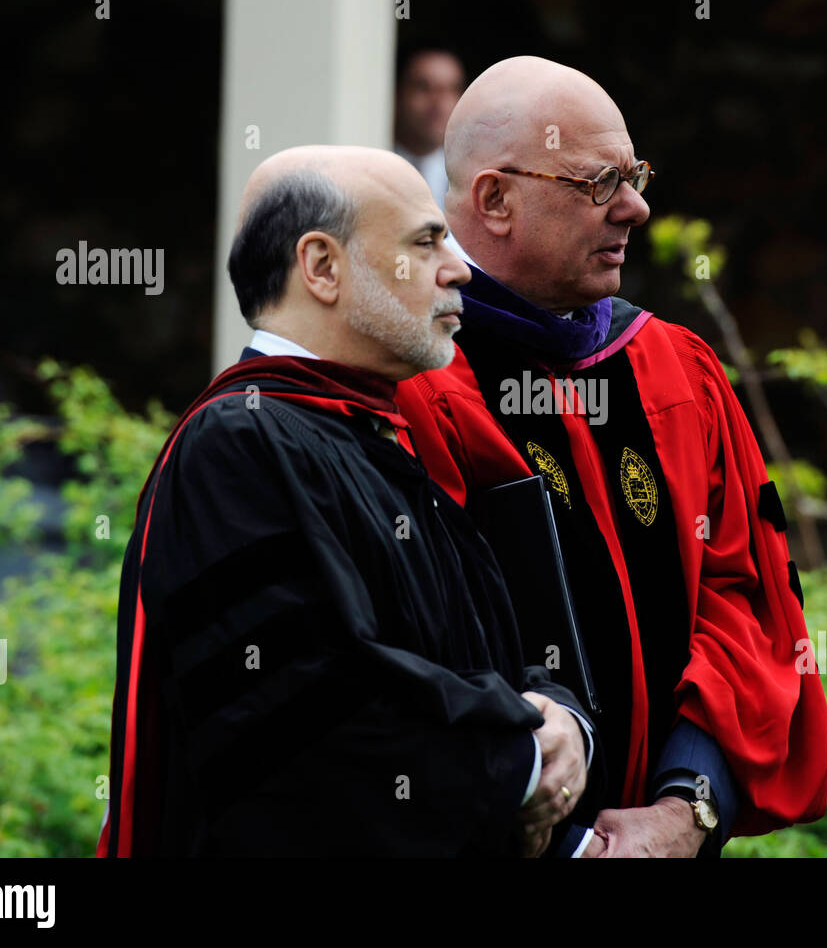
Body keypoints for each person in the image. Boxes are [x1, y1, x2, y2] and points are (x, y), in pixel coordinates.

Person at [96, 145, 594, 857]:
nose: (459, 270)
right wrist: (519, 763)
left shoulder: (371, 439)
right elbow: (302, 719)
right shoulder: (239, 445)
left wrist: (564, 724)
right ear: (323, 268)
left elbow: (482, 658)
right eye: (427, 243)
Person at [394, 57, 827, 858]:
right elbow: (408, 668)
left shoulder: (674, 370)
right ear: (496, 200)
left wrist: (686, 808)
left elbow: (742, 604)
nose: (637, 206)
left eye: (635, 176)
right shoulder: (411, 388)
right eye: (600, 183)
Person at [393, 48, 465, 209]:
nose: (439, 103)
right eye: (423, 87)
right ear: (396, 94)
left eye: (450, 89)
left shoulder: (472, 174)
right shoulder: (373, 163)